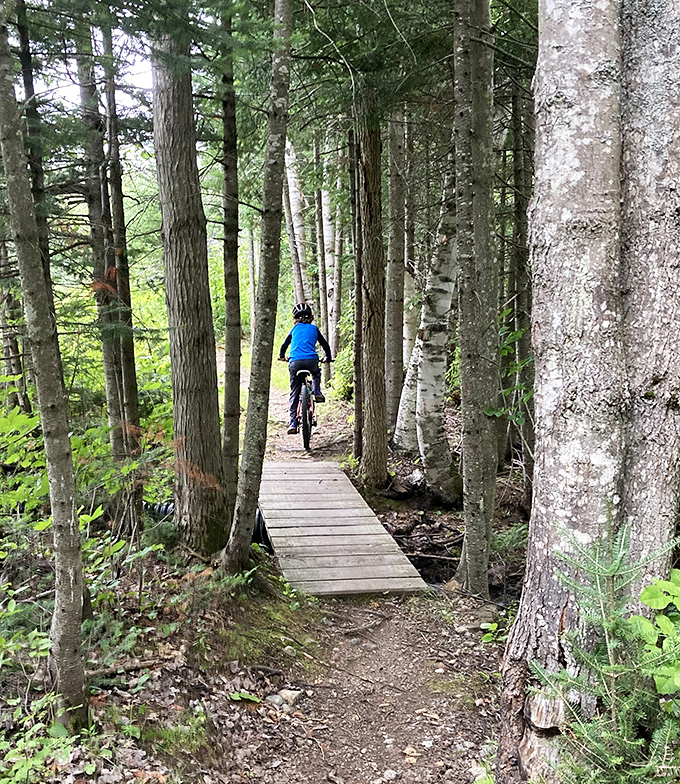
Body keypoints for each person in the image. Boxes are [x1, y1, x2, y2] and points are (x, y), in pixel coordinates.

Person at [278, 303, 332, 435]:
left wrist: (282, 356)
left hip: (295, 362)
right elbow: (325, 345)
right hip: (311, 360)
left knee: (294, 392)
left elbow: (284, 345)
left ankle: (293, 423)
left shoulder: (295, 329)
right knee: (316, 373)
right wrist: (328, 358)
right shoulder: (314, 329)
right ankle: (317, 392)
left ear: (295, 318)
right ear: (311, 317)